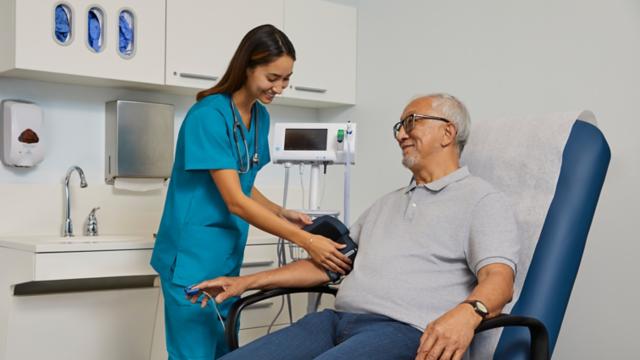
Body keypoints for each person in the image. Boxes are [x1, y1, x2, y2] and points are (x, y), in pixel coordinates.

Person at [189, 94, 520, 360]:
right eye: (398, 126)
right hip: (333, 322)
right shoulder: (386, 204)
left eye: (411, 122)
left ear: (448, 132)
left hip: (403, 331)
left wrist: (469, 312)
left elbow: (499, 281)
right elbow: (327, 266)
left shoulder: (482, 200)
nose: (401, 134)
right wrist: (244, 282)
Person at [150, 24, 352, 360]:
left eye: (286, 79)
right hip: (190, 257)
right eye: (273, 77)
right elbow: (234, 200)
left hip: (226, 255)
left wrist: (279, 211)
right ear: (247, 67)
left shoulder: (259, 116)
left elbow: (242, 180)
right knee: (194, 354)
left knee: (225, 351)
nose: (280, 87)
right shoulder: (208, 116)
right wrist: (307, 240)